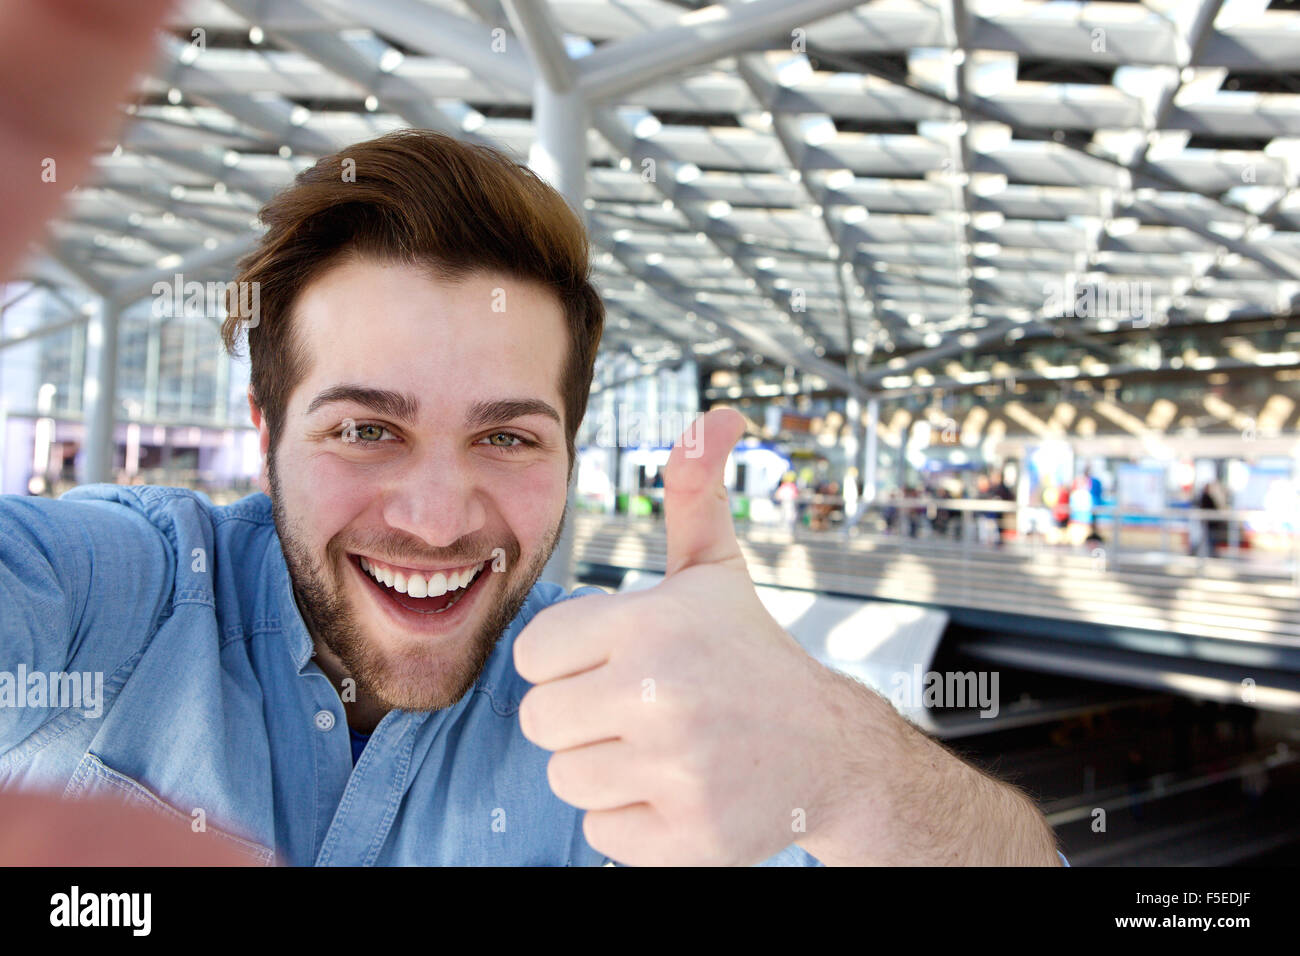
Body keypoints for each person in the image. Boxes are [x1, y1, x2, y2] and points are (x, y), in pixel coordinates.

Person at [0, 6, 1063, 868]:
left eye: (506, 438)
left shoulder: (624, 726)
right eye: (367, 427)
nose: (435, 517)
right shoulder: (122, 592)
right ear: (265, 427)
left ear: (569, 447)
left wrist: (846, 769)